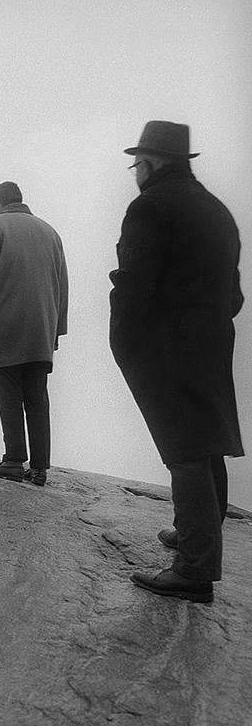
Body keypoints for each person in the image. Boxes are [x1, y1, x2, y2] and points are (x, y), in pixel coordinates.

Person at [111, 121, 244, 604]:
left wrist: (122, 342)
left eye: (136, 165)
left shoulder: (150, 207)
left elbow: (134, 285)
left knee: (184, 448)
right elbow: (234, 294)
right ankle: (199, 533)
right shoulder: (217, 211)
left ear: (151, 163)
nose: (135, 173)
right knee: (205, 441)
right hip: (212, 341)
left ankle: (194, 568)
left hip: (167, 345)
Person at [0, 181, 68, 486]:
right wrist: (56, 330)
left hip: (4, 328)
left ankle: (13, 460)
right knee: (37, 397)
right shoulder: (50, 233)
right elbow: (62, 285)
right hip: (41, 332)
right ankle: (40, 468)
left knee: (8, 395)